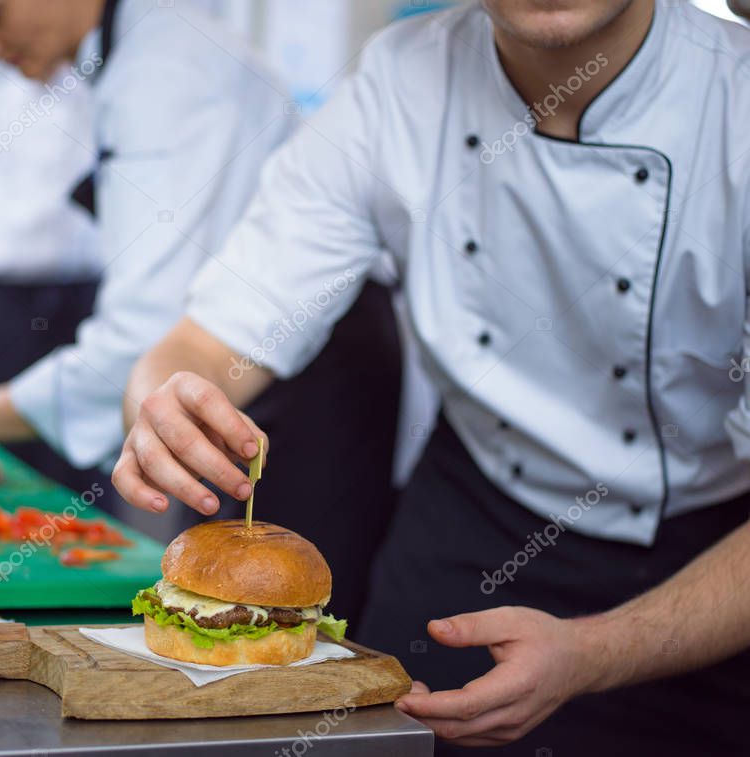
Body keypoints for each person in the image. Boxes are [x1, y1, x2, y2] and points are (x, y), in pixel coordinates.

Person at [110, 0, 750, 754]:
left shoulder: (733, 100)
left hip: (711, 555)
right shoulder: (397, 79)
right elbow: (225, 329)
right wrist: (165, 397)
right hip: (475, 517)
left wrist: (596, 650)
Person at [0, 0, 407, 626]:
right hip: (245, 370)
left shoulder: (171, 75)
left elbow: (139, 343)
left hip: (309, 384)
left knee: (290, 629)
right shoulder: (132, 57)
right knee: (235, 616)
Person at [0, 66, 105, 494]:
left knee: (81, 437)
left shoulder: (99, 100)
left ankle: (88, 545)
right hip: (8, 292)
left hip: (83, 291)